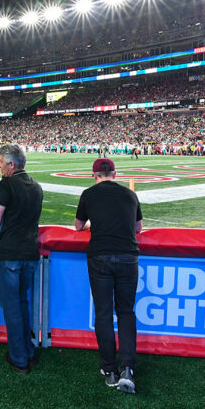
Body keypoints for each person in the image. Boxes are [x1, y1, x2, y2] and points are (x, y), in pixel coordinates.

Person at [74, 158, 143, 393]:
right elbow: (138, 228)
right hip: (128, 257)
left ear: (94, 175)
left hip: (100, 255)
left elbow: (77, 226)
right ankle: (128, 369)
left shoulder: (89, 193)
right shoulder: (130, 195)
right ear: (115, 173)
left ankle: (110, 369)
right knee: (126, 312)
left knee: (103, 313)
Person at [0, 144, 42, 375]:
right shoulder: (37, 186)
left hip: (9, 252)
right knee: (22, 303)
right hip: (30, 252)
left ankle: (19, 358)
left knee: (11, 306)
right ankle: (27, 350)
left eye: (1, 161)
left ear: (12, 164)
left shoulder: (7, 183)